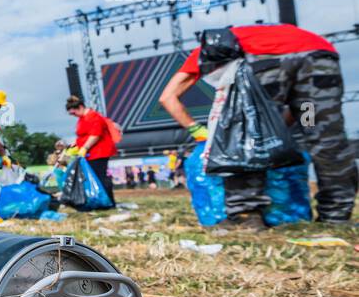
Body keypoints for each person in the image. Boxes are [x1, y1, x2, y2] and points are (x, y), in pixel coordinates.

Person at [158, 23, 355, 225]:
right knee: (320, 135)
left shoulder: (206, 52)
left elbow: (168, 97)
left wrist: (196, 129)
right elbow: (300, 106)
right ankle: (336, 215)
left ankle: (246, 215)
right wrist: (278, 131)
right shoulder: (262, 35)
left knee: (243, 135)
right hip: (318, 59)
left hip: (266, 61)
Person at [65, 95, 117, 207]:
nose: (73, 116)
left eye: (74, 113)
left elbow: (95, 135)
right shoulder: (82, 119)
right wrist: (76, 145)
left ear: (80, 107)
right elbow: (83, 135)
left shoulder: (94, 117)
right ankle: (98, 200)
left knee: (100, 176)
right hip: (89, 153)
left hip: (99, 152)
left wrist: (85, 147)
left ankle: (109, 201)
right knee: (93, 177)